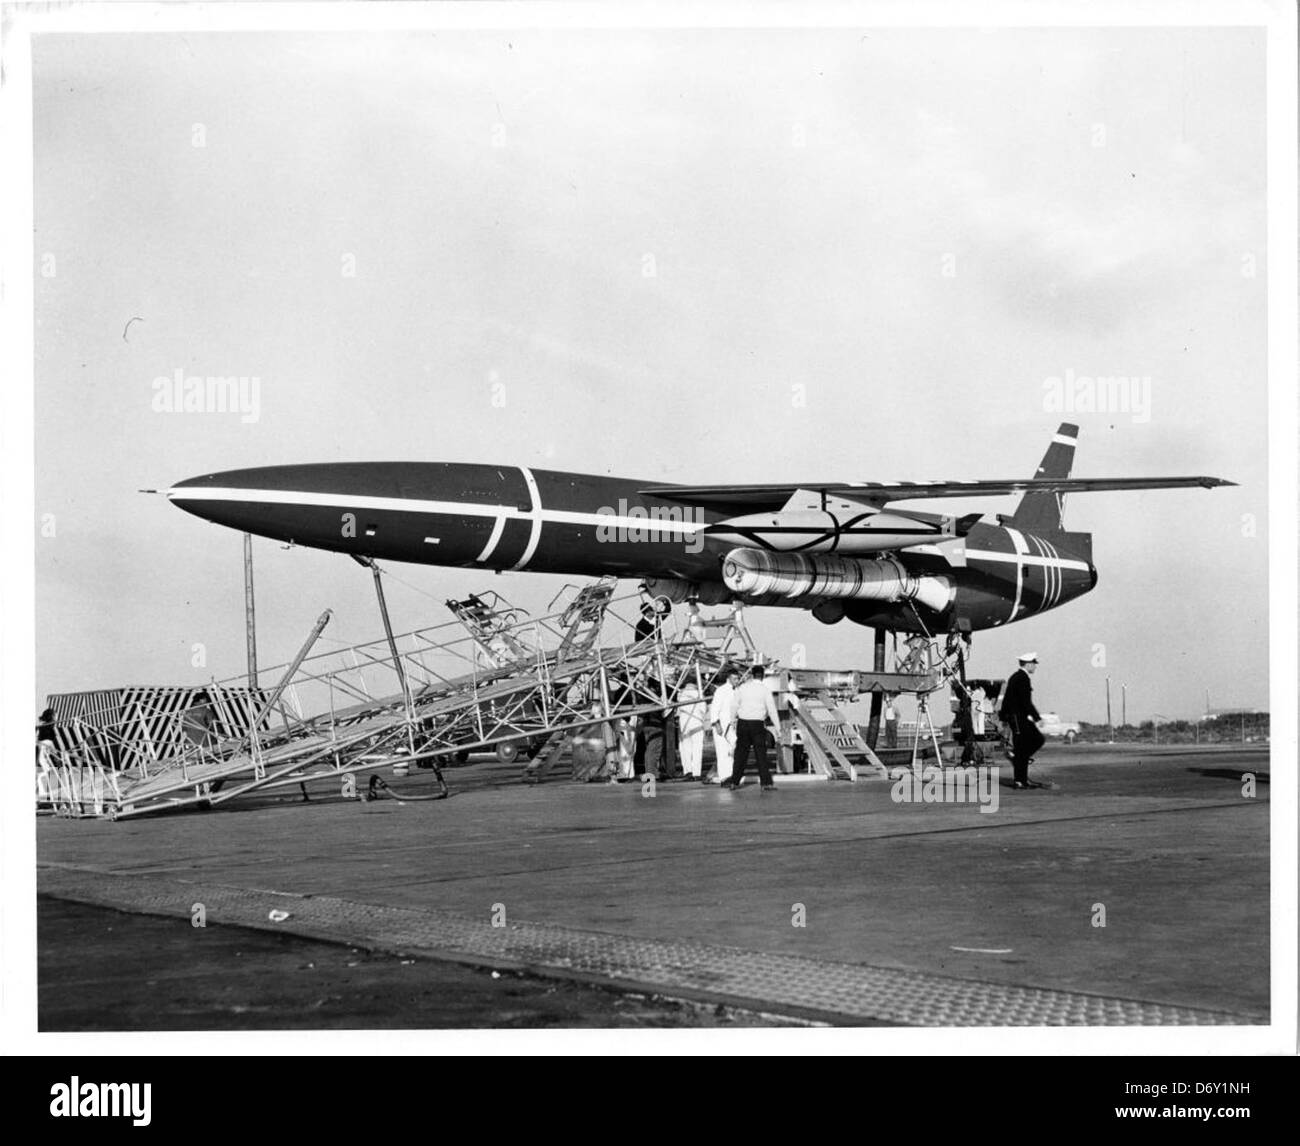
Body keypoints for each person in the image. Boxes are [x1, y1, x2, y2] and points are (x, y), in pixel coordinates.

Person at [725, 663, 782, 791]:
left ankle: (734, 782)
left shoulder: (742, 687)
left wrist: (733, 721)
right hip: (757, 724)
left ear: (752, 675)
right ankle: (765, 783)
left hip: (743, 723)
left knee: (740, 753)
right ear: (762, 676)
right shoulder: (765, 690)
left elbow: (734, 705)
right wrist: (778, 728)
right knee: (760, 754)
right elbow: (772, 710)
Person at [1000, 653, 1046, 788]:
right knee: (1030, 744)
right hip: (1018, 718)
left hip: (1019, 717)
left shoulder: (1017, 677)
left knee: (1031, 743)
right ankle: (1020, 780)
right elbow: (1026, 701)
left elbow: (1007, 698)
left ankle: (1022, 776)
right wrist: (1037, 718)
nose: (1035, 667)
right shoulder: (1022, 678)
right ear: (1028, 664)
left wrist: (1003, 717)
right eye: (1034, 664)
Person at [706, 666, 739, 783]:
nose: (737, 681)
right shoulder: (721, 691)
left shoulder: (735, 691)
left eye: (737, 679)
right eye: (735, 679)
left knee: (731, 751)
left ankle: (730, 775)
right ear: (729, 678)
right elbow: (714, 709)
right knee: (722, 752)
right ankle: (725, 777)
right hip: (721, 726)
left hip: (731, 726)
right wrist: (716, 724)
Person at [676, 680, 706, 779]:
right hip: (697, 723)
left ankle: (687, 771)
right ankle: (696, 773)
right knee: (697, 748)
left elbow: (678, 711)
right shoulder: (699, 694)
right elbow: (703, 710)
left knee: (685, 748)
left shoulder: (680, 694)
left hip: (684, 723)